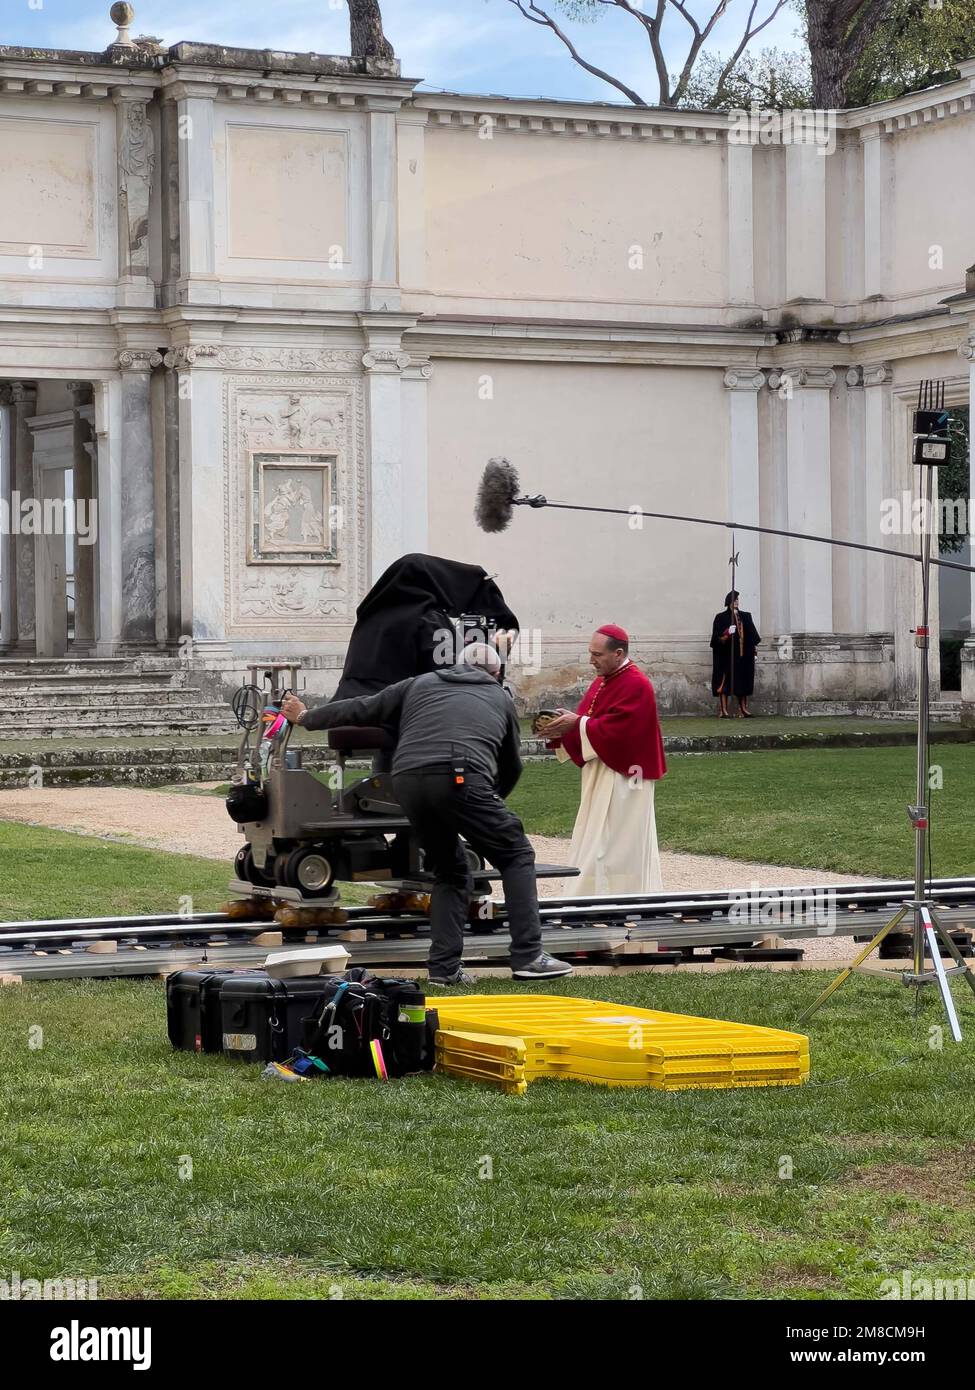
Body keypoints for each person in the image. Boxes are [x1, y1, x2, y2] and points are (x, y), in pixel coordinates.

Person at [281, 644, 572, 987]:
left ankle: (444, 970)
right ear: (497, 674)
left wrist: (304, 717)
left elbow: (362, 708)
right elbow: (511, 765)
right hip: (462, 775)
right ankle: (528, 956)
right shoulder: (500, 697)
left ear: (455, 665)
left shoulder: (419, 683)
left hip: (406, 781)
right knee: (516, 854)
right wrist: (487, 806)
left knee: (450, 870)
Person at [544, 625, 666, 895]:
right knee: (595, 837)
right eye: (590, 653)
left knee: (615, 843)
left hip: (626, 779)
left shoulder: (637, 684)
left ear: (619, 653)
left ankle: (612, 900)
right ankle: (588, 897)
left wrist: (578, 724)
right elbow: (589, 720)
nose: (591, 660)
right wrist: (564, 726)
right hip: (601, 773)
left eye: (597, 654)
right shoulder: (603, 679)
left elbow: (621, 732)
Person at [710, 590, 760, 718]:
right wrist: (726, 634)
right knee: (724, 681)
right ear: (729, 602)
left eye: (737, 600)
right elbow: (716, 639)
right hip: (727, 656)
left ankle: (743, 709)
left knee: (742, 681)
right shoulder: (721, 617)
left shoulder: (746, 616)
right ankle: (724, 710)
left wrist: (753, 649)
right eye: (734, 600)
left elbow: (752, 635)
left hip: (742, 655)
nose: (736, 602)